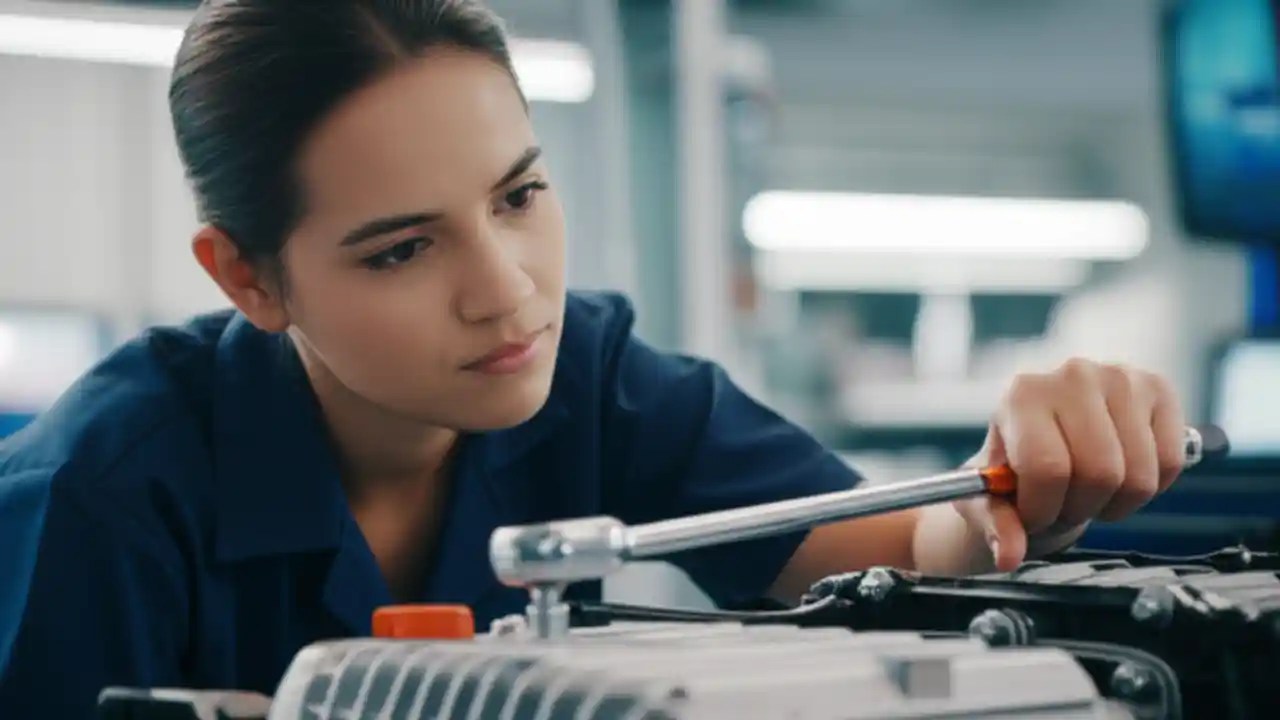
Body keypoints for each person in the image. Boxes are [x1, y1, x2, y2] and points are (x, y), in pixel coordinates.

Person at [0, 0, 1190, 716]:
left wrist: (1025, 472)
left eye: (518, 195)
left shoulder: (589, 376)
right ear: (247, 278)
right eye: (403, 249)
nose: (505, 289)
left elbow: (896, 557)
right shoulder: (97, 501)